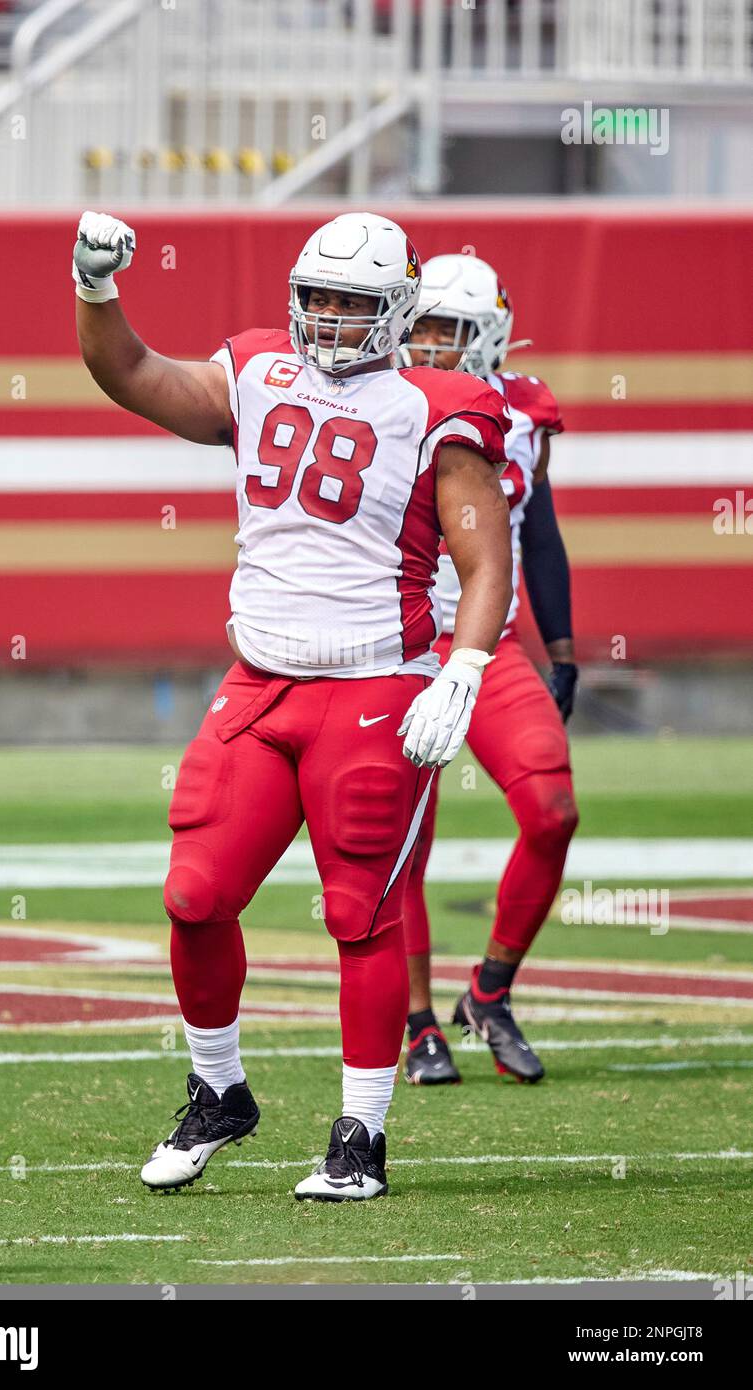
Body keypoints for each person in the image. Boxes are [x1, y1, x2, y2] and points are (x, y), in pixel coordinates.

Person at [74, 210, 512, 1199]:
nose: (327, 317)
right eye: (316, 296)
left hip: (373, 684)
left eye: (351, 302)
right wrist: (95, 290)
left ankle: (359, 1136)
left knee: (360, 913)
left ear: (395, 310)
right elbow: (132, 371)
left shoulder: (434, 405)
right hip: (260, 679)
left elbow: (486, 557)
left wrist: (461, 670)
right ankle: (219, 1091)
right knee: (194, 893)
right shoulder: (259, 367)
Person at [400, 253, 579, 1086]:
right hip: (398, 650)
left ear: (490, 335)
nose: (434, 344)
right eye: (424, 327)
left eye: (451, 329)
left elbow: (539, 531)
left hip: (491, 648)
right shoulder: (382, 401)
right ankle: (417, 1024)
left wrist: (564, 649)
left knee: (552, 810)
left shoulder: (525, 411)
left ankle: (490, 992)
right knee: (398, 843)